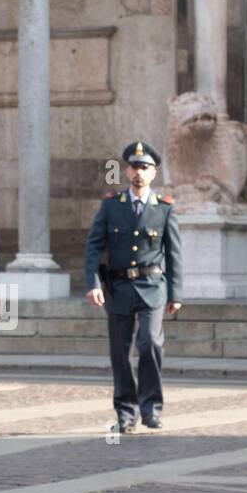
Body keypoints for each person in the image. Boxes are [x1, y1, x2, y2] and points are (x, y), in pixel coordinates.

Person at [84, 140, 183, 433]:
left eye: (145, 168)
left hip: (153, 285)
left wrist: (175, 293)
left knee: (150, 342)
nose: (139, 173)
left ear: (154, 173)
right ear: (127, 171)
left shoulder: (164, 208)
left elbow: (174, 252)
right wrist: (93, 282)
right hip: (118, 286)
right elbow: (94, 246)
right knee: (121, 351)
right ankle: (126, 411)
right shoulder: (112, 205)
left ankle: (151, 407)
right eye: (135, 167)